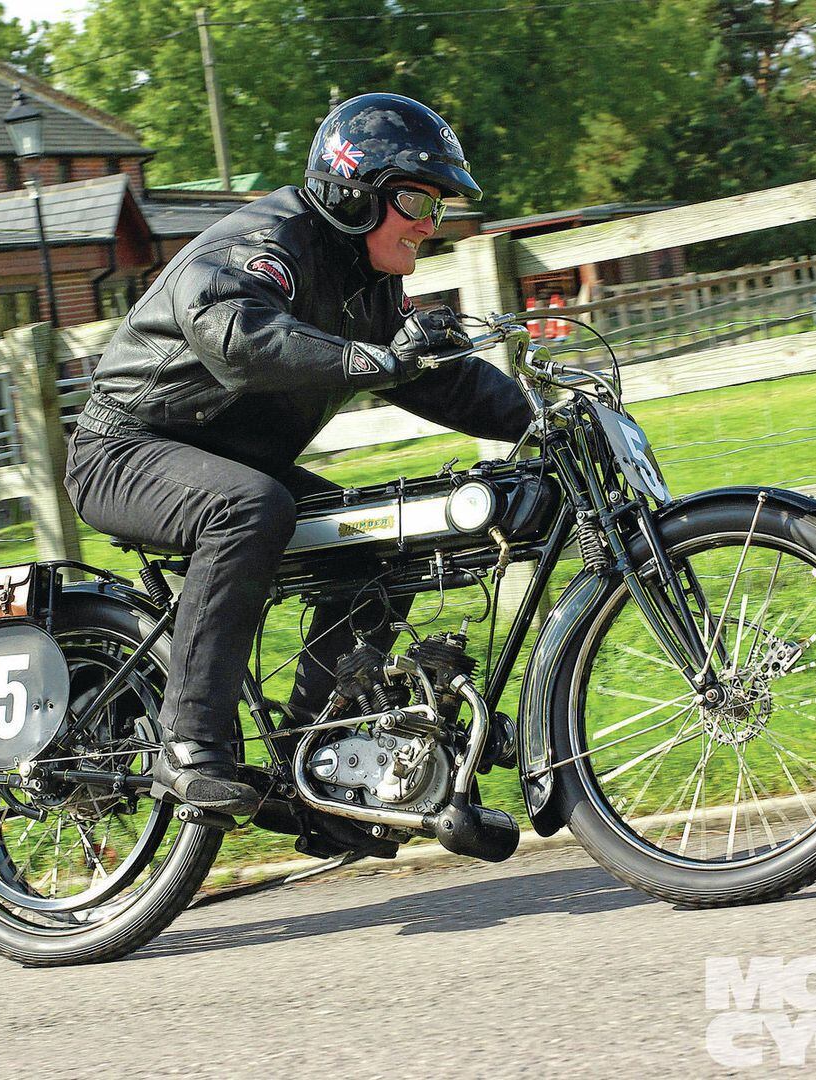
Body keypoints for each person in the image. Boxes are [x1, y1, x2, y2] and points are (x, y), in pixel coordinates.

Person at [65, 93, 530, 818]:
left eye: (436, 208)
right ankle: (187, 745)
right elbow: (240, 338)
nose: (426, 224)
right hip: (126, 448)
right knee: (249, 508)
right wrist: (377, 361)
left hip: (225, 458)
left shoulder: (367, 283)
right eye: (414, 200)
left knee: (375, 543)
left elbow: (436, 376)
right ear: (354, 190)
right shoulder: (268, 243)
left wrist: (545, 420)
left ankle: (320, 779)